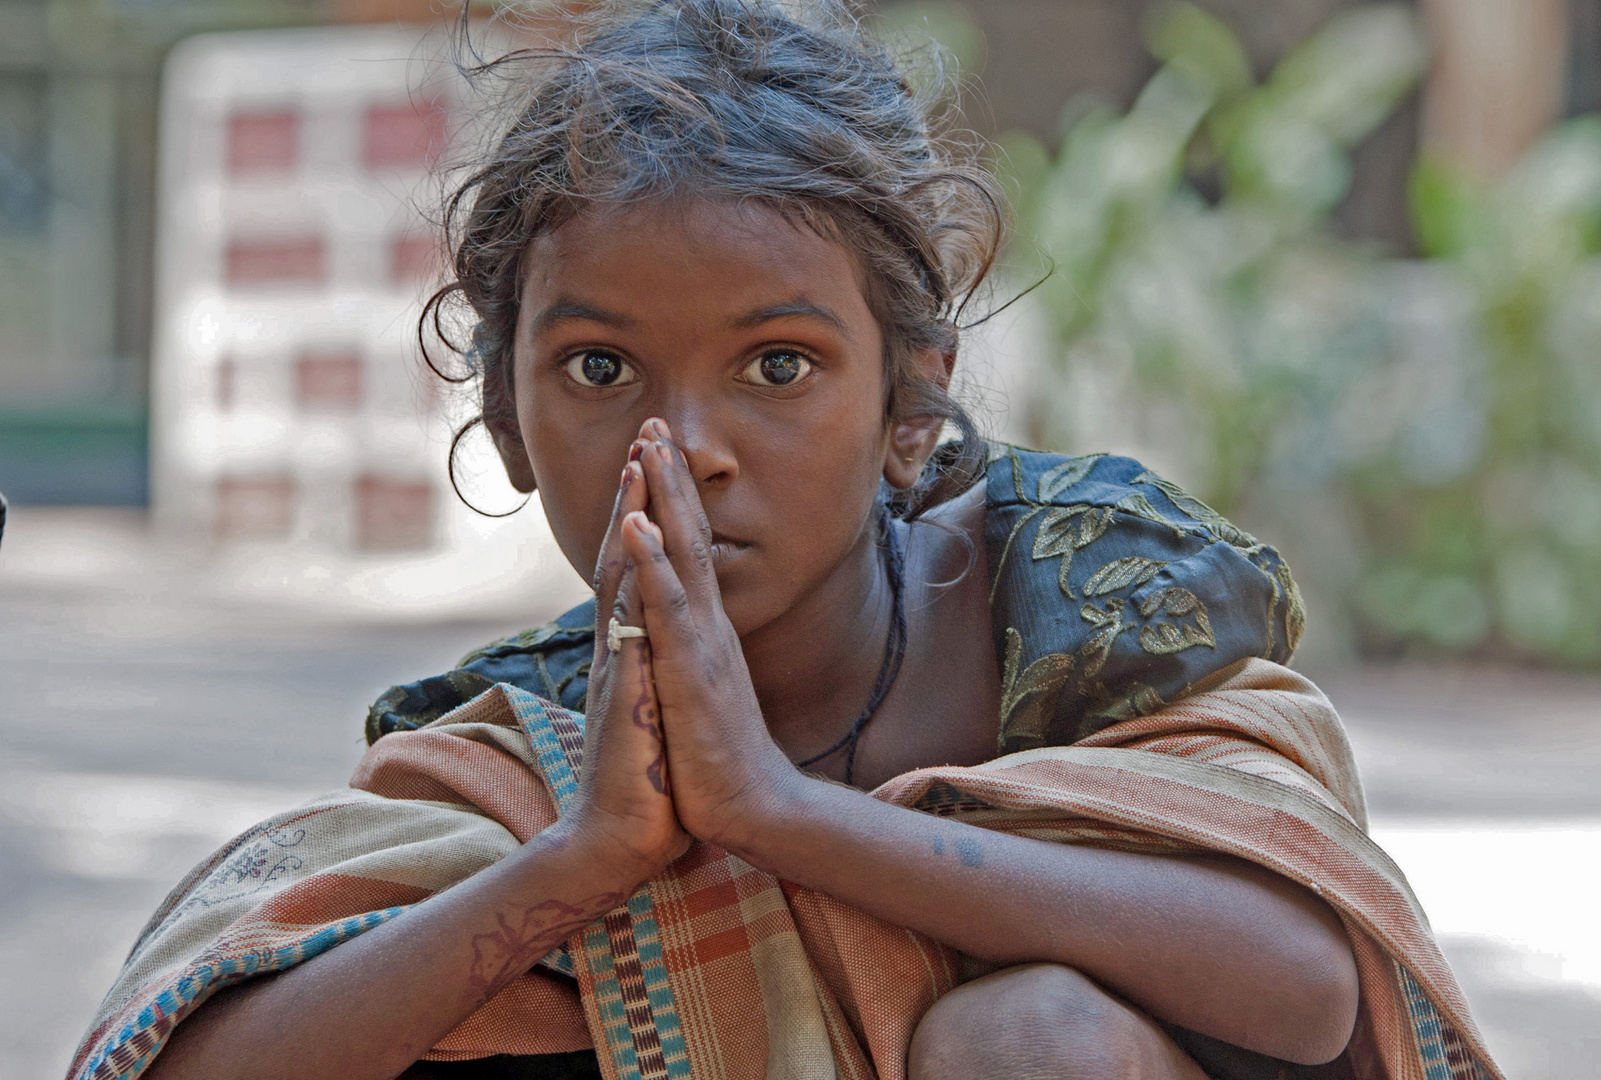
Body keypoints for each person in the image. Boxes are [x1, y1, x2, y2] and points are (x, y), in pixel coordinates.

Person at [73, 3, 1499, 1079]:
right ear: (506, 425)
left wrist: (775, 814)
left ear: (906, 402)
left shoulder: (1079, 603)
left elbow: (1302, 979)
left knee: (1031, 1035)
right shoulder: (512, 753)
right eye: (596, 371)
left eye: (776, 368)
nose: (684, 442)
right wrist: (585, 860)